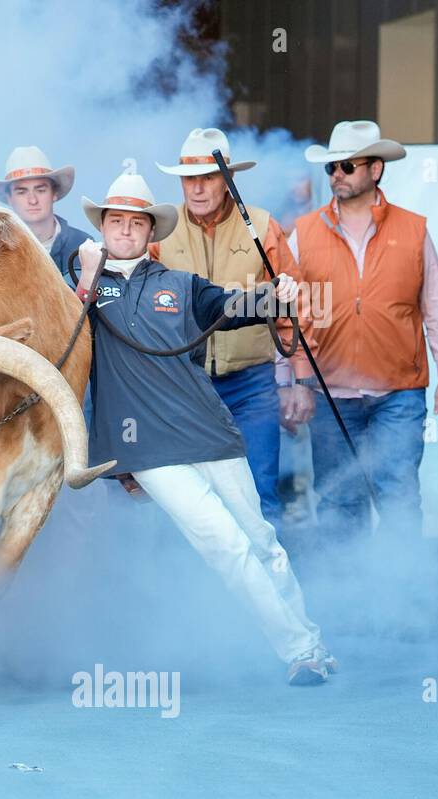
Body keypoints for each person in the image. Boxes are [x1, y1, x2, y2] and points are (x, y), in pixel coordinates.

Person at [74, 173, 336, 685]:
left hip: (209, 431)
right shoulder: (81, 285)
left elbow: (230, 308)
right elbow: (69, 346)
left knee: (261, 540)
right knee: (225, 546)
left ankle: (313, 641)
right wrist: (85, 276)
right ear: (102, 228)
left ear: (150, 231)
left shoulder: (179, 283)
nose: (124, 231)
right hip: (149, 449)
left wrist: (274, 295)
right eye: (115, 221)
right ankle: (300, 650)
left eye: (134, 222)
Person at [290, 120, 438, 542]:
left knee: (399, 496)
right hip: (330, 394)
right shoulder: (305, 232)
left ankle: (402, 600)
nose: (336, 175)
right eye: (332, 168)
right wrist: (289, 382)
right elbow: (287, 316)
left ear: (376, 170)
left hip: (398, 395)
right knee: (337, 501)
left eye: (347, 167)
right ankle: (347, 602)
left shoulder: (413, 229)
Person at [151, 128, 312, 526]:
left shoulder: (261, 224)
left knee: (261, 497)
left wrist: (298, 381)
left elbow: (293, 304)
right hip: (187, 387)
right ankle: (202, 590)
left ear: (228, 181)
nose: (198, 188)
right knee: (194, 506)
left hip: (252, 386)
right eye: (190, 179)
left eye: (208, 177)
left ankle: (274, 588)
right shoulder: (160, 232)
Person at [0, 145, 93, 277]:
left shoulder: (83, 244)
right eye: (22, 192)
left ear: (54, 193)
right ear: (9, 199)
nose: (32, 200)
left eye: (40, 190)